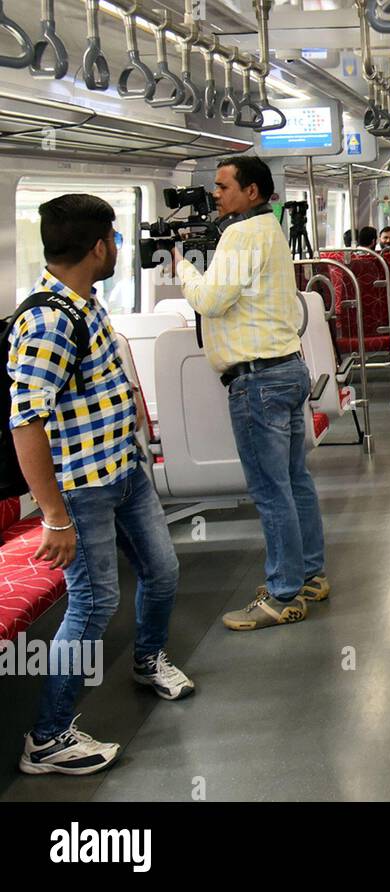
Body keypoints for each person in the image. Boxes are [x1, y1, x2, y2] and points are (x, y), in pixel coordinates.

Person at [11, 194, 193, 776]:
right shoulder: (47, 320)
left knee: (162, 572)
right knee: (92, 606)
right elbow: (26, 422)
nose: (118, 248)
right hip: (82, 492)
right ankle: (48, 738)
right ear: (97, 246)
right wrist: (53, 516)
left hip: (124, 472)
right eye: (114, 239)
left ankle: (147, 659)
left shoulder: (87, 303)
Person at [174, 156, 328, 632]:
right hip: (285, 368)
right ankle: (309, 575)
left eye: (223, 187)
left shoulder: (239, 235)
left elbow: (210, 300)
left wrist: (184, 267)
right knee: (293, 480)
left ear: (253, 193)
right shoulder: (271, 230)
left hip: (258, 379)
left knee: (271, 489)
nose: (215, 194)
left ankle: (283, 595)